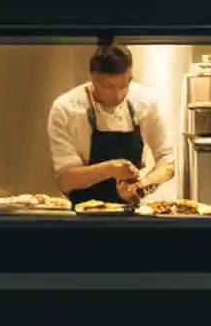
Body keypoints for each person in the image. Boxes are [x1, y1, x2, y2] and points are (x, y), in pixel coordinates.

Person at [46, 38, 175, 205]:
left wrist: (142, 186)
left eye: (125, 85)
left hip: (133, 212)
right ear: (92, 78)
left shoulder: (146, 102)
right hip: (82, 215)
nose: (118, 95)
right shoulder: (66, 109)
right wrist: (111, 169)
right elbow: (65, 180)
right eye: (108, 86)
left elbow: (167, 161)